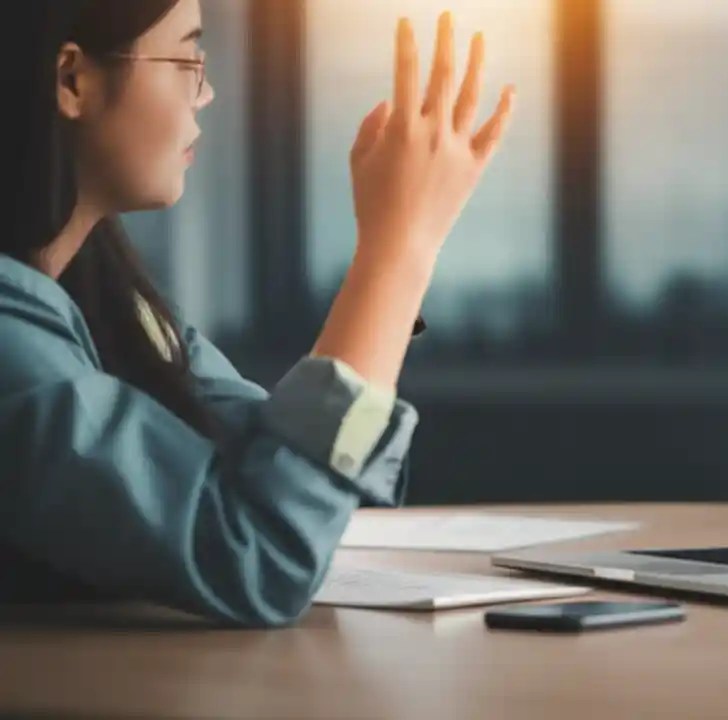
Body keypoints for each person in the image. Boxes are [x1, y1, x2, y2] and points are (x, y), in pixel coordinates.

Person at [0, 0, 515, 626]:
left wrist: (396, 273)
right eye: (188, 58)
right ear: (72, 80)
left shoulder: (112, 299)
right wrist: (396, 253)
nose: (207, 91)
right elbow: (262, 549)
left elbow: (308, 488)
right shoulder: (13, 352)